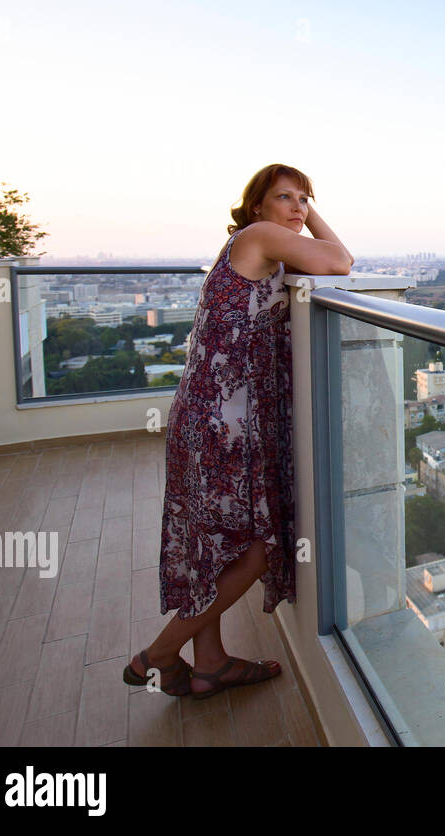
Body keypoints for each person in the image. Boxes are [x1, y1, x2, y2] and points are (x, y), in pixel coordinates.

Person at [124, 164, 354, 699]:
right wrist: (307, 216)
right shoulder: (258, 237)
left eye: (305, 198)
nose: (297, 208)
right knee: (255, 551)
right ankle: (158, 654)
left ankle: (211, 664)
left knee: (213, 547)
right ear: (255, 207)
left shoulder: (251, 246)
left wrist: (296, 208)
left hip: (204, 418)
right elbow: (339, 261)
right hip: (220, 427)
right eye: (285, 198)